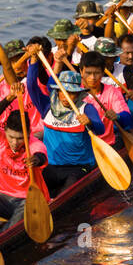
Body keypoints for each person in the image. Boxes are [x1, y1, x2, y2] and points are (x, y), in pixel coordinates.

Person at [24, 54, 116, 196]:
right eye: (63, 92)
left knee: (66, 193)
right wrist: (34, 61)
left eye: (72, 93)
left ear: (78, 94)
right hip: (52, 166)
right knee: (37, 186)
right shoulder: (47, 107)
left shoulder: (86, 109)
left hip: (79, 167)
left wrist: (90, 122)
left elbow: (100, 129)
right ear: (58, 91)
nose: (67, 97)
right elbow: (31, 86)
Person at [0, 109, 48, 223]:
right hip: (1, 198)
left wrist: (36, 160)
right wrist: (10, 98)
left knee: (25, 208)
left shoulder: (34, 145)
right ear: (5, 130)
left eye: (20, 138)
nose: (14, 142)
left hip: (28, 201)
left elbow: (41, 155)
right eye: (11, 137)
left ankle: (2, 236)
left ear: (28, 133)